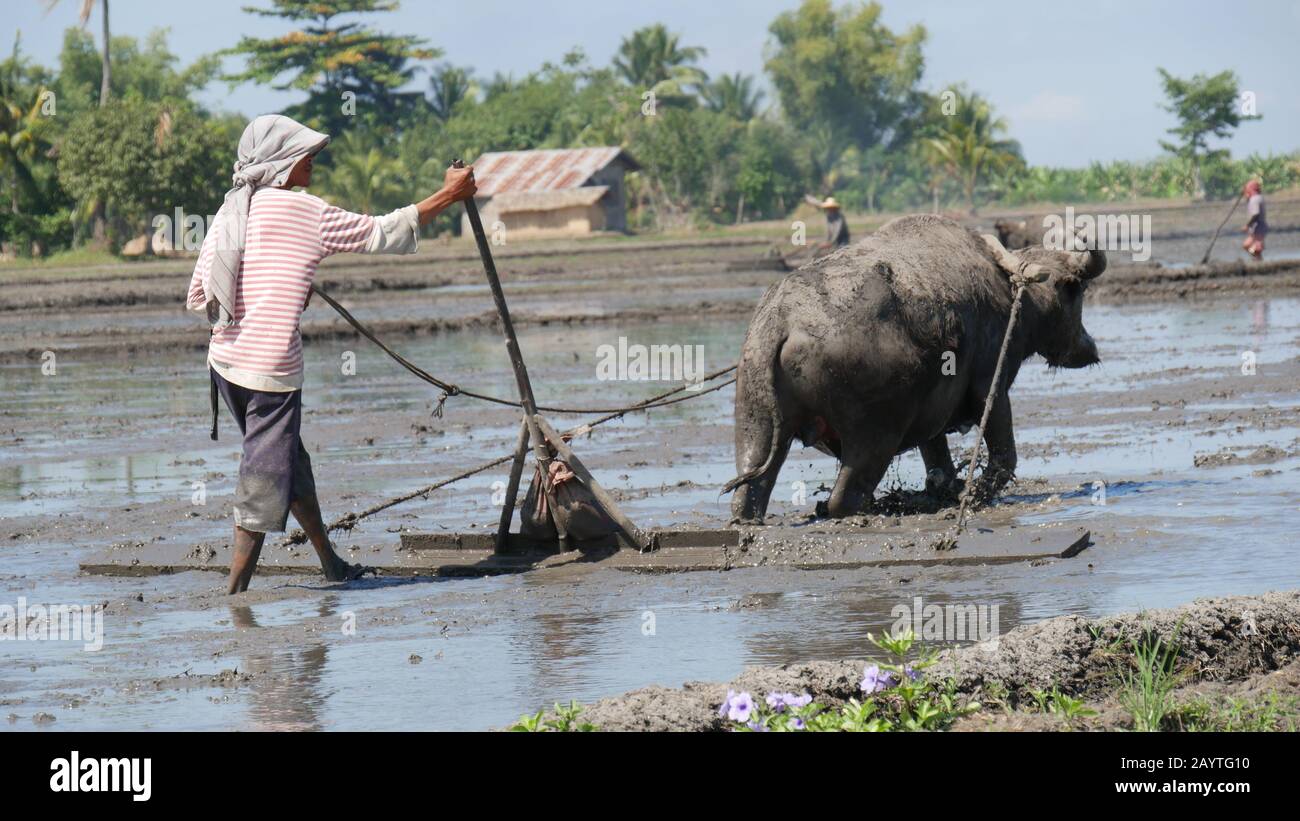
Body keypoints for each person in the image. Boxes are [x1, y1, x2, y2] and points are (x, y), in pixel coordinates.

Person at [185, 114, 477, 594]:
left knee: (288, 464)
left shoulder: (232, 212)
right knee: (263, 479)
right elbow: (381, 232)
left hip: (226, 366)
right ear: (283, 163)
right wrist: (449, 196)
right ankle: (235, 597)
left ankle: (331, 564)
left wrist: (270, 291)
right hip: (270, 375)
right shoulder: (306, 213)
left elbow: (200, 298)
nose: (313, 162)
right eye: (307, 155)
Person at [1242, 179, 1267, 260]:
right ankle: (1257, 258)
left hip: (1258, 227)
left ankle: (1258, 261)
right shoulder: (1258, 198)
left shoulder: (1255, 199)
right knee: (1246, 245)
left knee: (1256, 248)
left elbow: (1255, 214)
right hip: (1256, 228)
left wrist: (1247, 225)